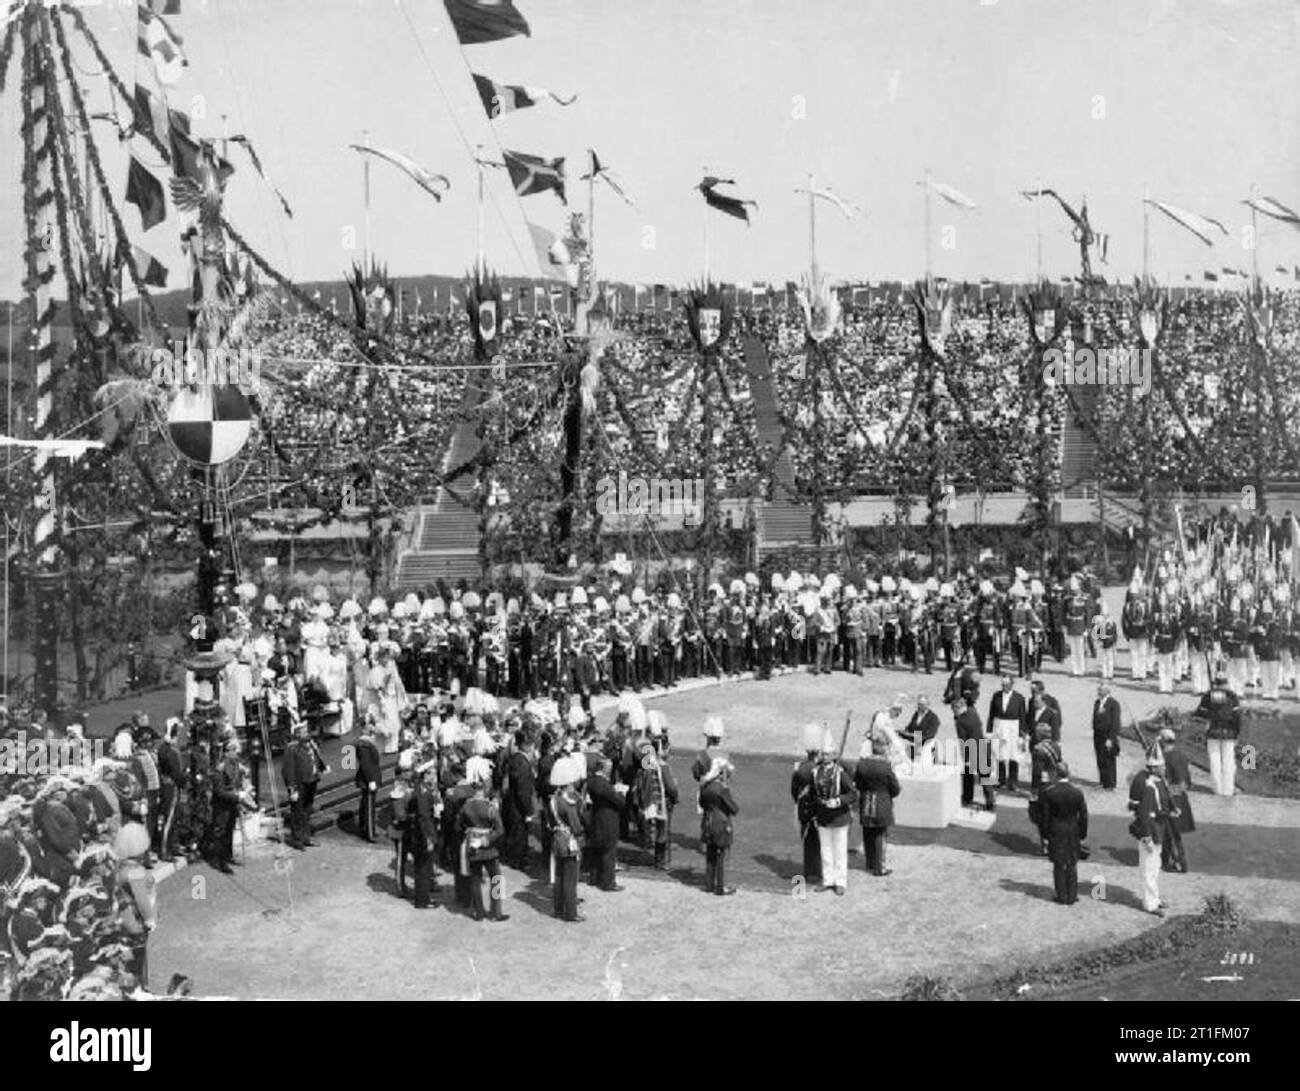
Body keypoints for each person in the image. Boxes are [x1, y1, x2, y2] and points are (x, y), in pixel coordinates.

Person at [457, 763, 508, 922]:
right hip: (489, 847)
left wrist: (468, 832)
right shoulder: (490, 807)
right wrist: (486, 839)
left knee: (475, 880)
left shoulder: (466, 806)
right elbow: (500, 830)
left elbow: (458, 826)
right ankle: (496, 911)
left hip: (472, 843)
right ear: (484, 788)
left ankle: (478, 912)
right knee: (497, 879)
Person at [1034, 760, 1088, 904]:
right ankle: (1072, 895)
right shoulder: (1077, 792)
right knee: (1072, 863)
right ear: (1068, 774)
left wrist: (1044, 835)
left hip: (1056, 829)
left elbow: (1044, 817)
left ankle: (1061, 895)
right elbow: (1083, 816)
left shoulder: (1049, 793)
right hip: (1072, 829)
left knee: (1058, 864)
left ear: (1056, 774)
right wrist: (1082, 834)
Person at [811, 729, 857, 894]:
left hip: (839, 817)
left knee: (839, 850)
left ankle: (840, 881)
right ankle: (828, 879)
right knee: (826, 850)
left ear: (833, 755)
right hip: (823, 816)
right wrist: (819, 806)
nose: (824, 757)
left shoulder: (841, 774)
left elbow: (852, 794)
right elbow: (813, 794)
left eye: (828, 754)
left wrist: (837, 801)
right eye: (823, 754)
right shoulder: (815, 773)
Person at [1132, 746, 1173, 916]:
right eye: (1162, 766)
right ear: (1155, 768)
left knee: (1155, 867)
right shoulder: (1149, 787)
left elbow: (1162, 805)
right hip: (1150, 832)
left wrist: (1170, 811)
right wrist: (1147, 837)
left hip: (1159, 830)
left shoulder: (1160, 782)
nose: (1164, 768)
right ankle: (1150, 903)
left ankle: (1155, 898)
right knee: (1149, 869)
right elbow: (1144, 815)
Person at [854, 733, 900, 876]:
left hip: (866, 800)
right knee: (880, 834)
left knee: (868, 832)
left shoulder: (862, 764)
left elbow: (858, 783)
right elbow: (895, 788)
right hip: (882, 802)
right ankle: (880, 867)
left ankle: (870, 862)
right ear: (884, 748)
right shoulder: (886, 767)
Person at [548, 756, 586, 921]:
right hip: (569, 840)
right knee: (571, 878)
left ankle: (558, 909)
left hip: (557, 838)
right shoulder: (567, 802)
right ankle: (571, 912)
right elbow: (576, 825)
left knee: (559, 876)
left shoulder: (553, 800)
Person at [1192, 673, 1241, 796]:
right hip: (1229, 732)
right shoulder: (1232, 695)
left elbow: (1199, 713)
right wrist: (1237, 732)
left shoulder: (1208, 695)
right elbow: (1237, 717)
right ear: (1225, 683)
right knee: (1228, 761)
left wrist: (1211, 714)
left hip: (1213, 731)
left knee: (1214, 761)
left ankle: (1217, 789)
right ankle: (1228, 789)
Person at [281, 722, 327, 851]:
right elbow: (288, 770)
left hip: (311, 781)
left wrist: (320, 768)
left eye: (306, 731)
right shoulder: (292, 748)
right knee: (297, 811)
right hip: (299, 783)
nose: (307, 733)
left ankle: (306, 836)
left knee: (307, 810)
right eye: (304, 731)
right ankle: (297, 839)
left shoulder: (310, 744)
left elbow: (315, 758)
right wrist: (292, 788)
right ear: (297, 734)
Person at [585, 757, 626, 892]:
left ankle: (594, 877)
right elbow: (618, 801)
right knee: (609, 850)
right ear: (603, 769)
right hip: (608, 818)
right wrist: (621, 793)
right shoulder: (603, 784)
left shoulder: (591, 781)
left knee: (597, 848)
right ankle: (608, 883)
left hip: (597, 816)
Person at [699, 756, 738, 895]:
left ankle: (709, 884)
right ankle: (721, 886)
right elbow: (734, 809)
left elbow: (702, 804)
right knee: (721, 857)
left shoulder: (705, 787)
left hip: (708, 822)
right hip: (721, 823)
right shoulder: (722, 789)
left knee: (710, 855)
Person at [791, 723, 824, 886]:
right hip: (819, 809)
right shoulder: (821, 768)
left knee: (807, 841)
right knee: (819, 841)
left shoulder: (800, 768)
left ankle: (809, 870)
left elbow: (793, 791)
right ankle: (817, 872)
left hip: (804, 808)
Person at [208, 737, 246, 874]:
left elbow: (237, 781)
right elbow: (219, 791)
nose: (236, 752)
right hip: (222, 806)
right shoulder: (220, 768)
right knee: (221, 832)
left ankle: (228, 856)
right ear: (226, 752)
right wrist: (236, 796)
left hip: (232, 804)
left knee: (230, 831)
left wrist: (242, 791)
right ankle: (220, 861)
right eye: (233, 749)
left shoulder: (235, 764)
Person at [1157, 728, 1192, 873]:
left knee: (1169, 833)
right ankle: (1170, 859)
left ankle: (1174, 861)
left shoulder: (1164, 758)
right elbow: (1187, 782)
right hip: (1180, 798)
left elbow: (1180, 783)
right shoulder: (1182, 756)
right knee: (1171, 833)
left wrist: (1167, 791)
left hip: (1170, 799)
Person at [501, 730, 536, 868]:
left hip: (514, 804)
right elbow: (523, 790)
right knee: (520, 834)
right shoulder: (521, 762)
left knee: (518, 833)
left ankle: (518, 858)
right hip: (518, 806)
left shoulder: (515, 759)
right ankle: (518, 861)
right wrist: (528, 810)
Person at [986, 675, 1027, 790]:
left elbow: (1023, 716)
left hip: (1013, 727)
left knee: (1014, 755)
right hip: (999, 726)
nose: (1004, 687)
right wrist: (989, 730)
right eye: (1003, 684)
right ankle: (1001, 779)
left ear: (1012, 685)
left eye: (1007, 684)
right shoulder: (996, 696)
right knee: (1000, 754)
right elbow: (991, 714)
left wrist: (1022, 735)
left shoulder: (1019, 698)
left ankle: (1013, 781)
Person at [953, 697, 994, 810]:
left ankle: (967, 798)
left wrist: (966, 759)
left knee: (968, 776)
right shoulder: (973, 712)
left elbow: (963, 741)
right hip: (983, 746)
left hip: (971, 750)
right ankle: (990, 802)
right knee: (985, 777)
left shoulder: (960, 721)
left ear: (958, 708)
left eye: (954, 709)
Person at [409, 762, 439, 909]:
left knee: (422, 867)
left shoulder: (420, 787)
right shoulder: (424, 792)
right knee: (423, 867)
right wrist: (429, 837)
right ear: (426, 774)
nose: (434, 776)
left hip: (418, 832)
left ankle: (422, 897)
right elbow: (424, 817)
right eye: (432, 773)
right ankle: (423, 900)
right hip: (422, 835)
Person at [354, 720, 382, 842]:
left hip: (372, 776)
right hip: (368, 779)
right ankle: (370, 833)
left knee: (366, 805)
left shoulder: (369, 742)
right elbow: (366, 764)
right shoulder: (364, 744)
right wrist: (371, 780)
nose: (372, 728)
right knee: (369, 807)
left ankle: (364, 828)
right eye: (369, 726)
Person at [1091, 682, 1121, 790]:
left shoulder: (1113, 704)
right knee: (1100, 758)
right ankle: (1102, 781)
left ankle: (1111, 783)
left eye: (1101, 689)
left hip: (1108, 735)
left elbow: (1115, 723)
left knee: (1109, 759)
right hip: (1098, 735)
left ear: (1107, 691)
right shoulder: (1097, 702)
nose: (1098, 691)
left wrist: (1111, 738)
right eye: (1098, 689)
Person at [900, 696, 940, 763]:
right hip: (915, 743)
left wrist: (912, 735)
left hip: (927, 745)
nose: (921, 706)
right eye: (919, 704)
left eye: (923, 704)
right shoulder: (916, 714)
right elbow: (910, 727)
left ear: (928, 704)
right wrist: (903, 732)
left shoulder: (933, 718)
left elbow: (930, 734)